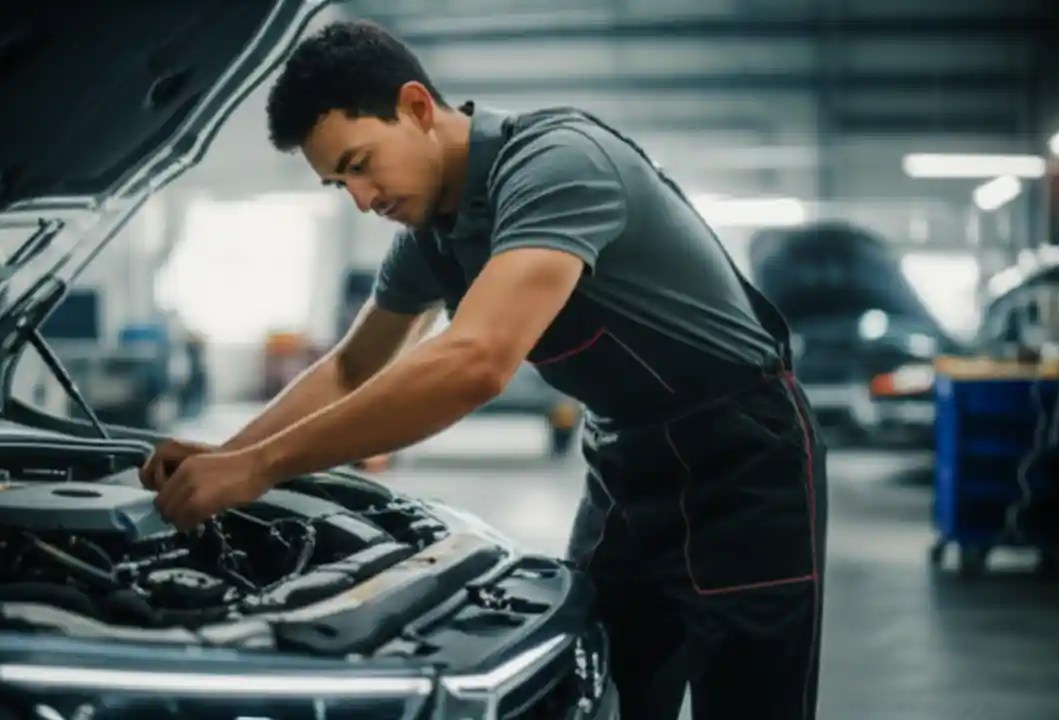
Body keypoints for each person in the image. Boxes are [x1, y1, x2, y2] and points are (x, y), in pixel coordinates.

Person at [143, 19, 828, 720]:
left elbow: (478, 361)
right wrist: (226, 458)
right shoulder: (430, 241)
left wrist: (263, 468)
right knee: (601, 688)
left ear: (415, 108)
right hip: (626, 464)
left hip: (742, 460)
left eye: (359, 162)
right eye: (336, 183)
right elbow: (353, 367)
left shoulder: (558, 162)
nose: (359, 198)